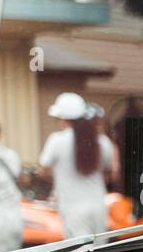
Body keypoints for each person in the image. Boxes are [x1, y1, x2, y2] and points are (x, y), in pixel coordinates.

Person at [36, 91, 115, 241]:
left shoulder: (56, 140)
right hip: (98, 204)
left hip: (72, 207)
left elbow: (42, 170)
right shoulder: (102, 141)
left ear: (63, 118)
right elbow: (110, 172)